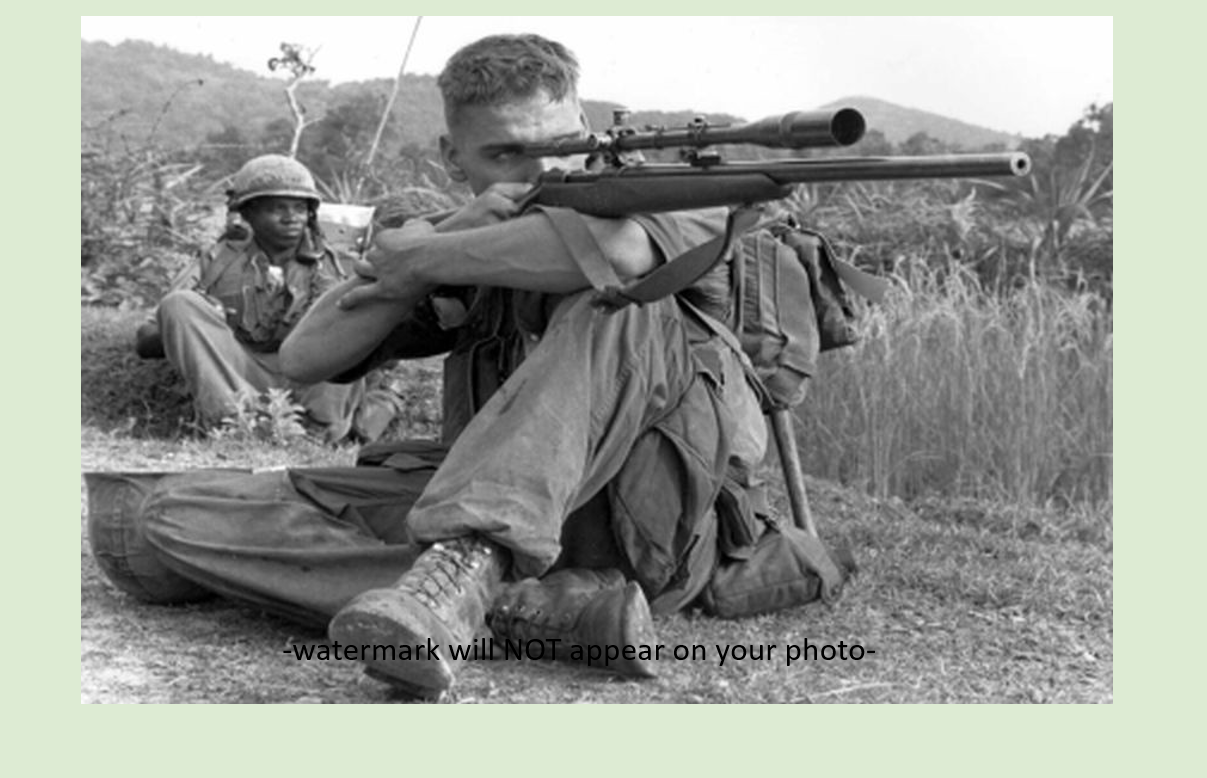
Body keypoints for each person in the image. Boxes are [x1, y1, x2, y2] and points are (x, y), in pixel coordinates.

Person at [90, 34, 849, 701]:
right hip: (520, 532)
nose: (543, 168)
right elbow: (305, 356)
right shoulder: (469, 237)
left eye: (558, 143)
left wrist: (425, 253)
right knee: (161, 516)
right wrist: (433, 251)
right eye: (504, 155)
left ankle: (470, 570)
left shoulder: (686, 195)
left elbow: (611, 258)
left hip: (648, 527)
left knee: (613, 301)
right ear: (453, 159)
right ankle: (536, 608)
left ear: (587, 129)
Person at [134, 154, 399, 443]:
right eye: (276, 208)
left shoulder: (340, 266)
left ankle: (314, 431)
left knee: (354, 307)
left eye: (299, 208)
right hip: (237, 375)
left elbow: (385, 351)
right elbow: (146, 340)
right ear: (247, 213)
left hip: (313, 379)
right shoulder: (214, 260)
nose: (291, 217)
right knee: (180, 303)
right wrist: (208, 318)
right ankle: (237, 425)